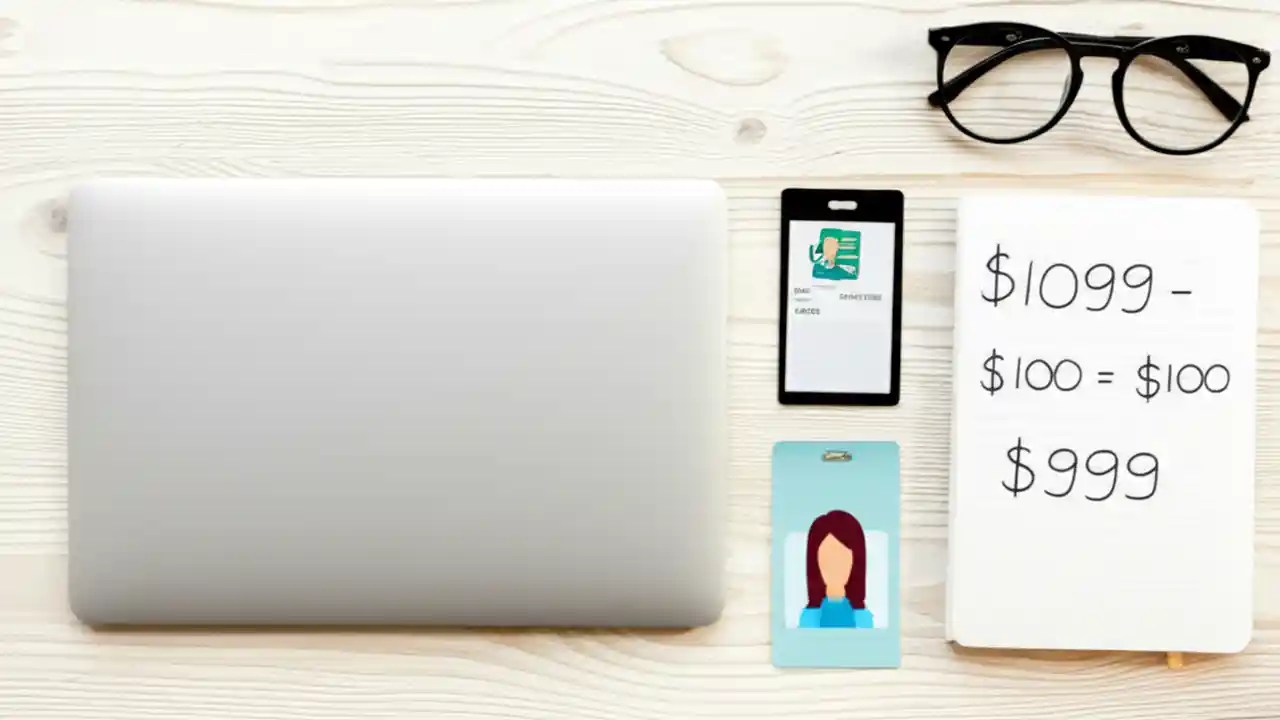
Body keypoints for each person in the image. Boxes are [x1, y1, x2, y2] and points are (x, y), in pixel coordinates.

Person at [798, 510, 874, 629]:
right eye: (827, 557)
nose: (835, 566)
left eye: (842, 557)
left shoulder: (863, 618)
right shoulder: (808, 618)